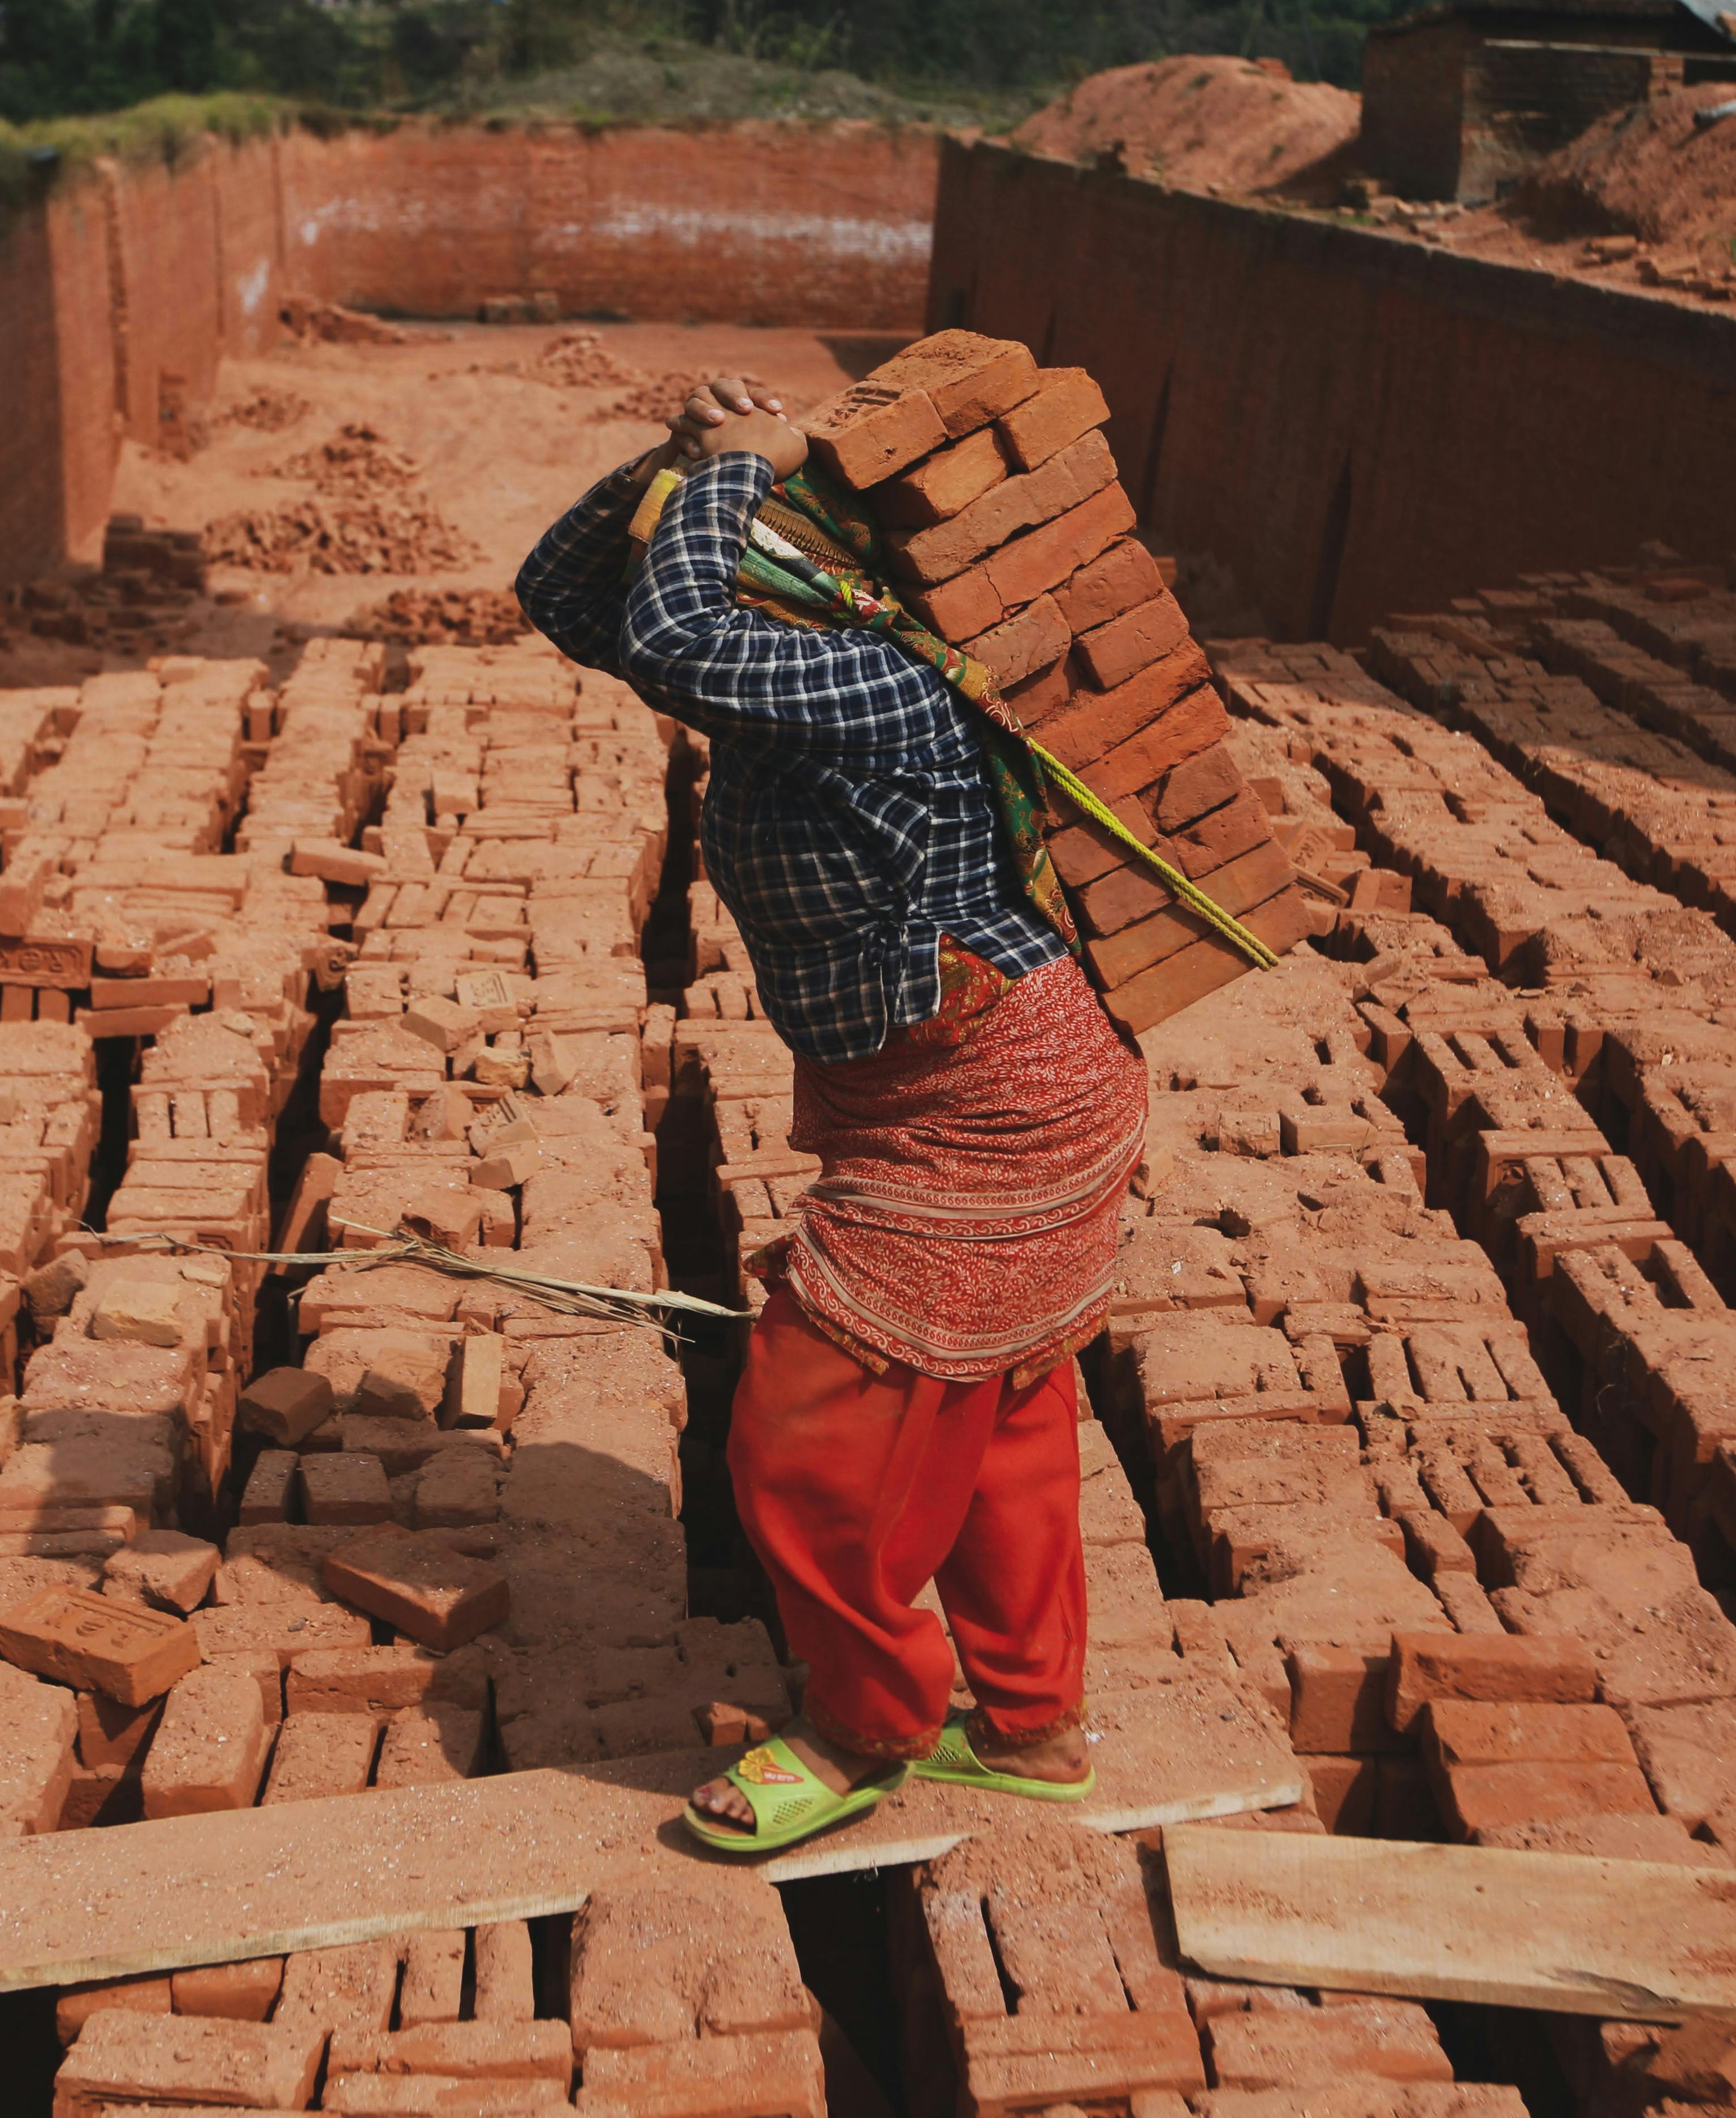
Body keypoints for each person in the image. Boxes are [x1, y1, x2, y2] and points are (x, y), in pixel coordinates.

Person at [514, 378, 1151, 1853]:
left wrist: (733, 473)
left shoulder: (890, 680)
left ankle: (866, 1723)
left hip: (999, 1094)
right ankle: (1032, 1721)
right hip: (949, 1076)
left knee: (804, 1439)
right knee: (993, 1411)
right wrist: (678, 464)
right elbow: (566, 594)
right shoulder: (786, 654)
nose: (693, 579)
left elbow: (668, 629)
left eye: (728, 545)